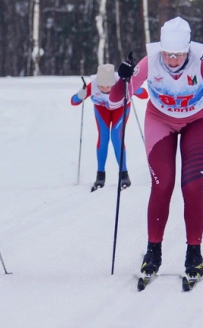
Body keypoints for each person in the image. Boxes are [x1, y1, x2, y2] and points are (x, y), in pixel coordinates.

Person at [110, 16, 203, 279]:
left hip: (197, 120)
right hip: (160, 120)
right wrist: (122, 78)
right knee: (163, 184)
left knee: (193, 185)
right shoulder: (149, 61)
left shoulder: (200, 59)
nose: (172, 60)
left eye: (179, 54)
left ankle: (194, 252)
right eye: (168, 54)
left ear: (188, 49)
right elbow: (117, 100)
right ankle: (153, 250)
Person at [71, 64, 148, 191]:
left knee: (116, 136)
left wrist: (133, 87)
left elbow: (144, 95)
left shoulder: (121, 82)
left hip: (120, 109)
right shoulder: (93, 85)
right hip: (102, 110)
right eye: (102, 86)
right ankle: (100, 175)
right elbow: (74, 102)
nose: (105, 89)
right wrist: (80, 95)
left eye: (109, 86)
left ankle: (124, 174)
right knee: (104, 137)